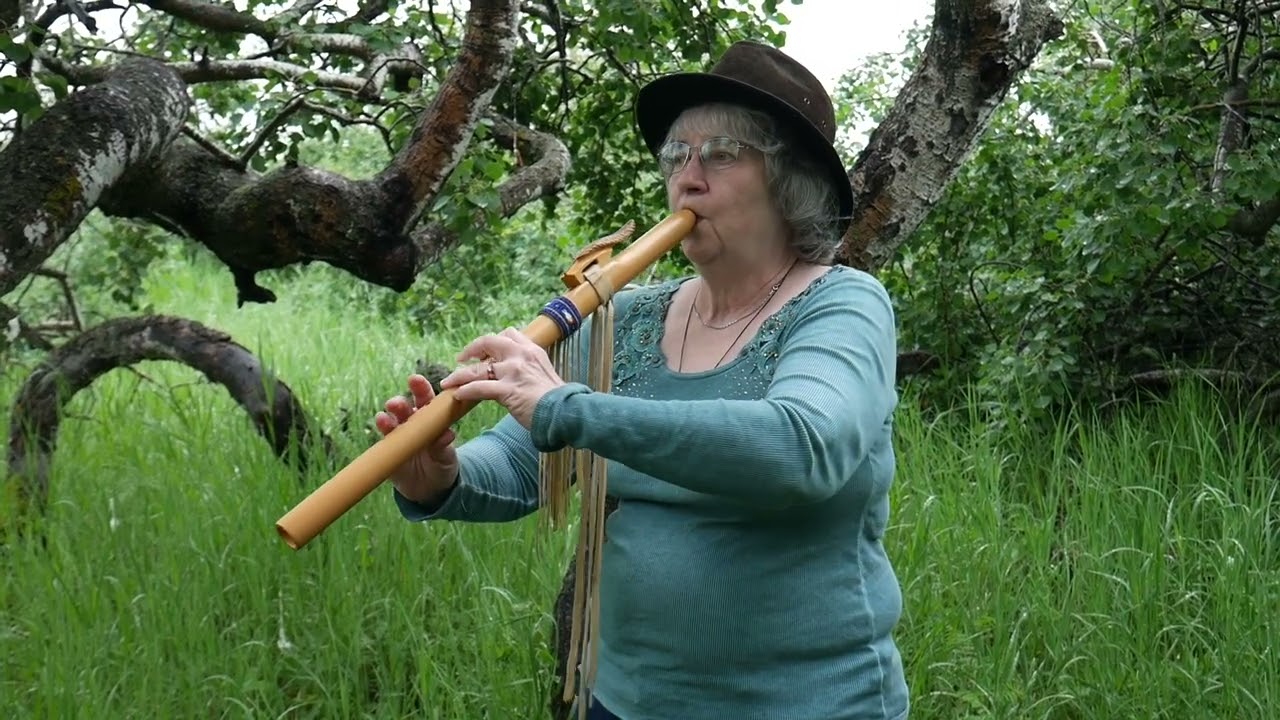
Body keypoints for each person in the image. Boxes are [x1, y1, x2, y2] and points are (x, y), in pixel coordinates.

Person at [375, 41, 909, 720]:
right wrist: (440, 478)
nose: (686, 178)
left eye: (720, 154)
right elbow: (523, 461)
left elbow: (800, 448)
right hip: (628, 701)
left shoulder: (842, 304)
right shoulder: (622, 317)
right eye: (676, 157)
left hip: (809, 704)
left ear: (790, 179)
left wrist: (566, 406)